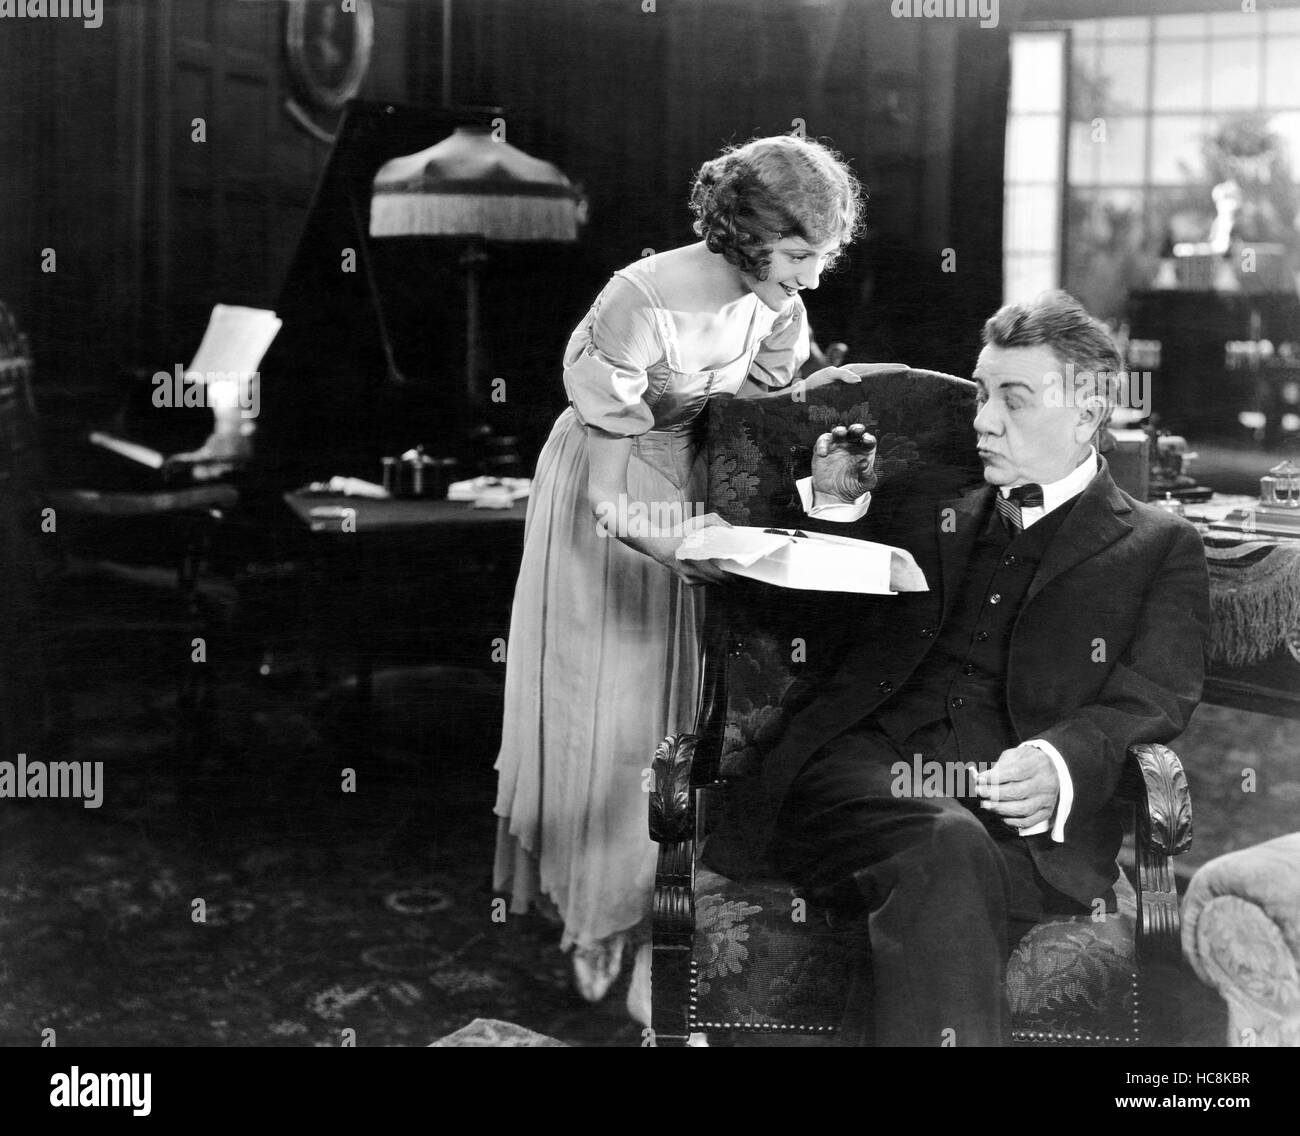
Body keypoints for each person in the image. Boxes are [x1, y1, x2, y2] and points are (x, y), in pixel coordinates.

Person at [704, 290, 1211, 1046]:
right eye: (981, 394)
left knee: (948, 872)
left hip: (1015, 826)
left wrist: (1059, 760)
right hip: (856, 781)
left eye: (1014, 398)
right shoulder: (918, 499)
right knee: (941, 847)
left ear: (1088, 411)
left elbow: (1155, 691)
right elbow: (799, 623)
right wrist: (834, 506)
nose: (983, 420)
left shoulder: (1160, 545)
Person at [493, 135, 866, 1023]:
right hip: (610, 490)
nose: (812, 278)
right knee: (611, 706)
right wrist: (671, 548)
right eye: (800, 256)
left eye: (825, 257)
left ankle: (664, 905)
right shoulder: (641, 295)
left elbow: (776, 403)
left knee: (692, 713)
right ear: (746, 236)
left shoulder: (778, 299)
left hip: (700, 486)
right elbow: (613, 473)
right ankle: (598, 918)